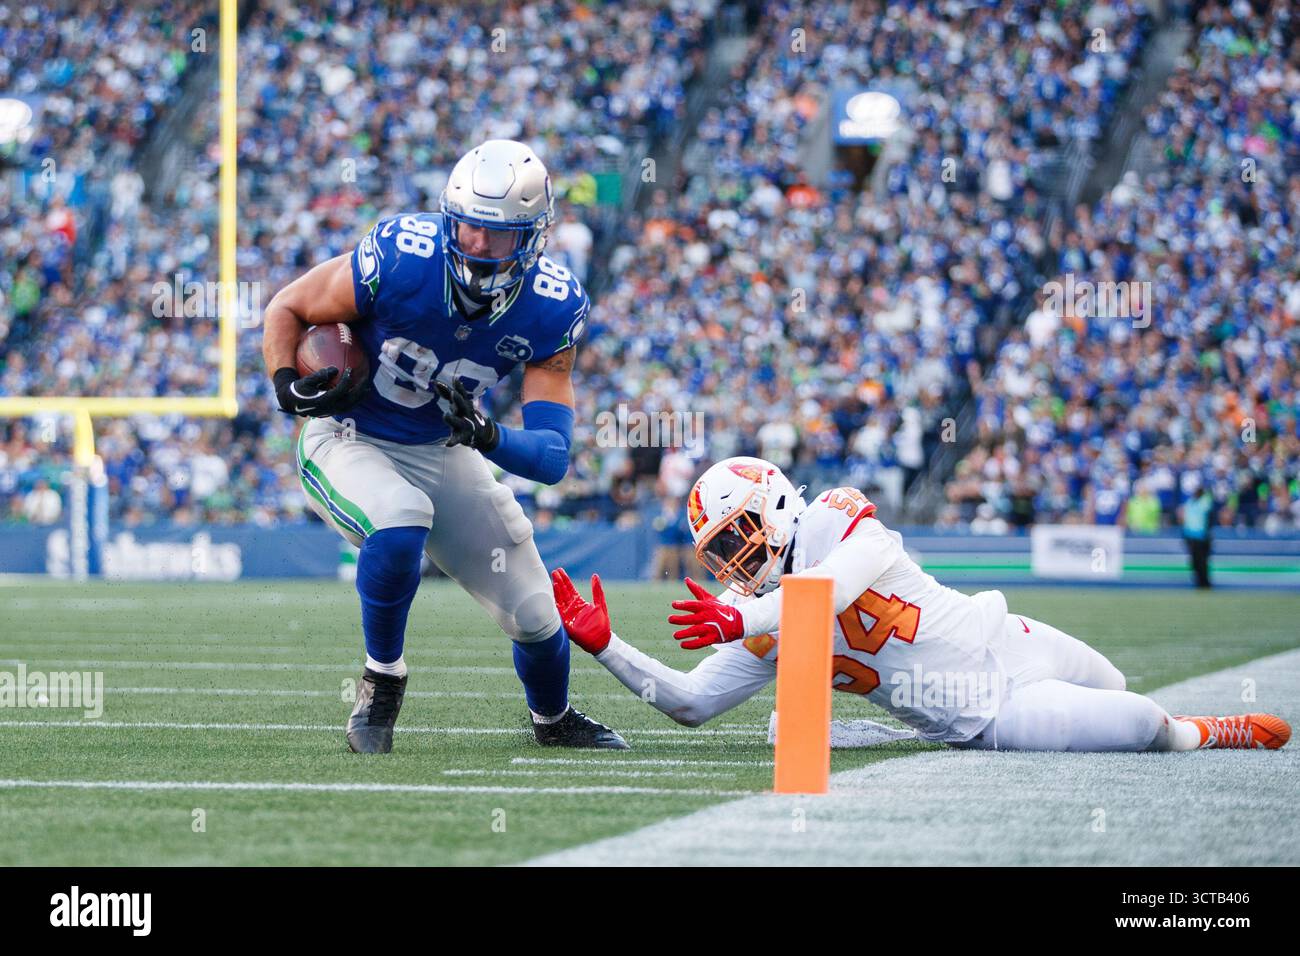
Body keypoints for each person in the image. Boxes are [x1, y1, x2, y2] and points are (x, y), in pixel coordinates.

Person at [261, 139, 627, 753]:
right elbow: (288, 306)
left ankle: (553, 717)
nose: (477, 245)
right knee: (402, 516)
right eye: (467, 227)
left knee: (537, 615)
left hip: (444, 446)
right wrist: (284, 385)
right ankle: (382, 679)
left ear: (533, 237)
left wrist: (488, 435)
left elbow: (552, 456)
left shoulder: (552, 306)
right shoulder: (403, 258)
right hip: (351, 437)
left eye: (498, 234)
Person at [551, 456, 1291, 753]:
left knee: (1116, 685)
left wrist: (745, 616)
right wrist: (605, 647)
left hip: (1010, 635)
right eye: (720, 550)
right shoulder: (758, 611)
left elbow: (830, 589)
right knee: (1145, 726)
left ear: (775, 505)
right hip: (986, 714)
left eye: (740, 534)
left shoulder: (835, 520)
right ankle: (1208, 729)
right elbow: (687, 702)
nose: (734, 561)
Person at [1180, 481, 1215, 589]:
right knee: (1194, 561)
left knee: (1203, 561)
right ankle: (1199, 582)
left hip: (1202, 537)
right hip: (1190, 536)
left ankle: (1205, 583)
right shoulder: (1190, 502)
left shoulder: (1205, 501)